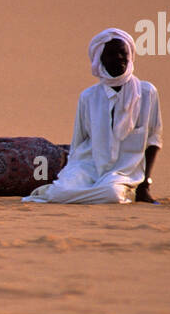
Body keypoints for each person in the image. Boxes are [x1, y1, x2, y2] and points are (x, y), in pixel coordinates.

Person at [21, 27, 162, 204]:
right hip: (88, 165)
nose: (118, 57)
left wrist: (145, 185)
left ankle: (114, 193)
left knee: (112, 194)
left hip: (122, 172)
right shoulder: (88, 97)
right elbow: (79, 142)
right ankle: (67, 192)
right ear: (100, 59)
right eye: (111, 54)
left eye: (122, 52)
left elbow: (154, 140)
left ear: (130, 55)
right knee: (59, 192)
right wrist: (72, 173)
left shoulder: (147, 92)